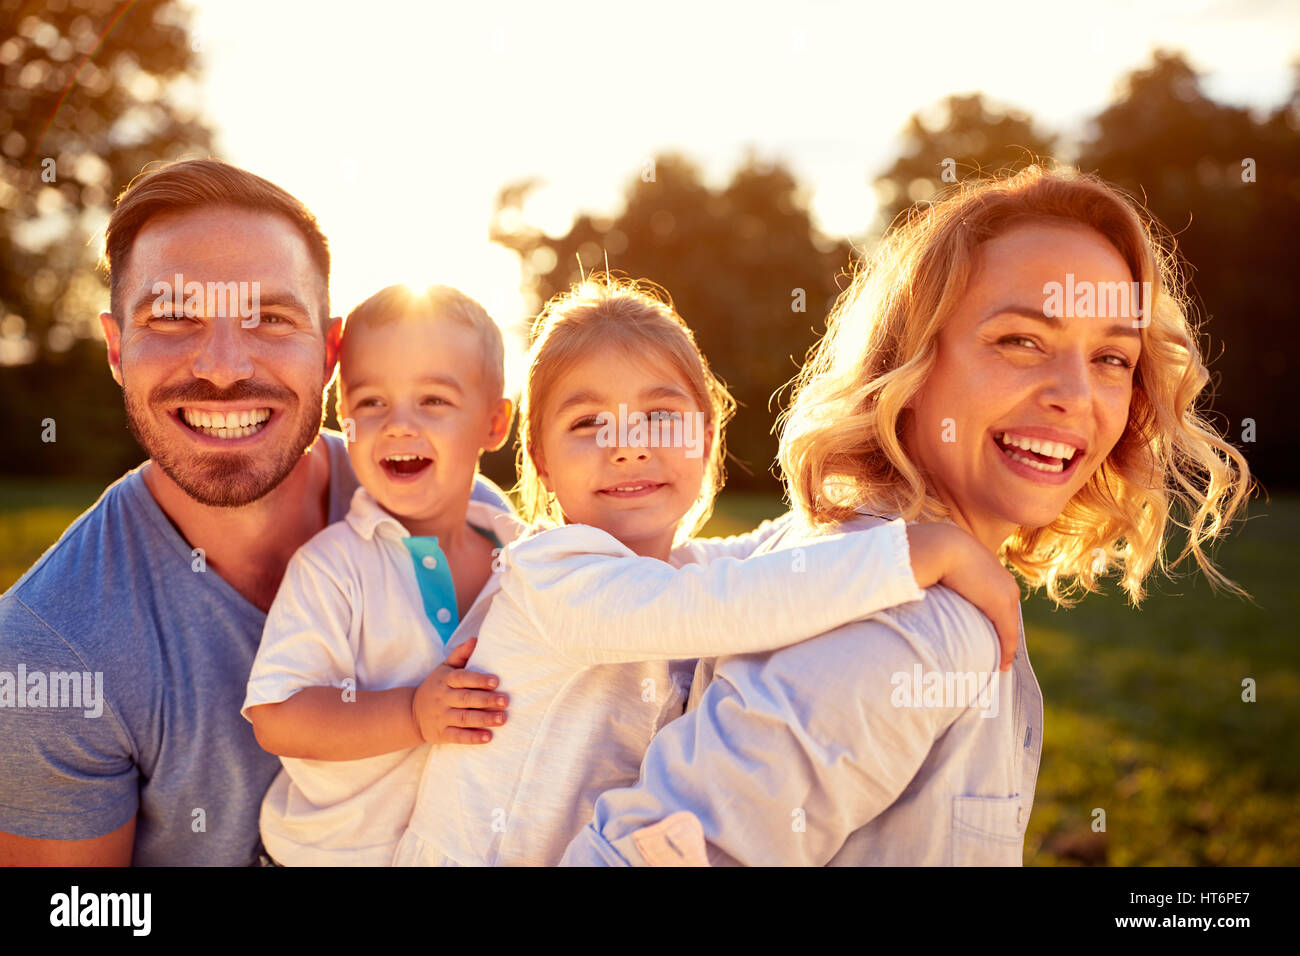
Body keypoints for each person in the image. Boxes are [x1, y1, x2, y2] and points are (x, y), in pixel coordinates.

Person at [559, 165, 1252, 866]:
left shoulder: (826, 555)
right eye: (1021, 341)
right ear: (910, 363)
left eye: (1111, 357)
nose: (1075, 395)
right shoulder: (910, 626)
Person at [394, 275, 1022, 866]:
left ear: (706, 433)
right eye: (587, 423)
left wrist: (880, 506)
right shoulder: (552, 574)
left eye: (661, 415)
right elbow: (728, 600)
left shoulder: (679, 568)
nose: (629, 444)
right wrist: (916, 554)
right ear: (543, 461)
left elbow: (771, 550)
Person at [0, 160, 508, 865]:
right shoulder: (52, 651)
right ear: (117, 348)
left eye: (269, 318)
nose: (223, 366)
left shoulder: (463, 514)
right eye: (173, 316)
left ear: (330, 352)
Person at [242, 284, 521, 866]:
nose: (398, 425)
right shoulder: (335, 566)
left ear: (494, 423)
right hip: (327, 856)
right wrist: (412, 714)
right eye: (370, 403)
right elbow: (277, 715)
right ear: (342, 417)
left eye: (434, 401)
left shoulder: (520, 552)